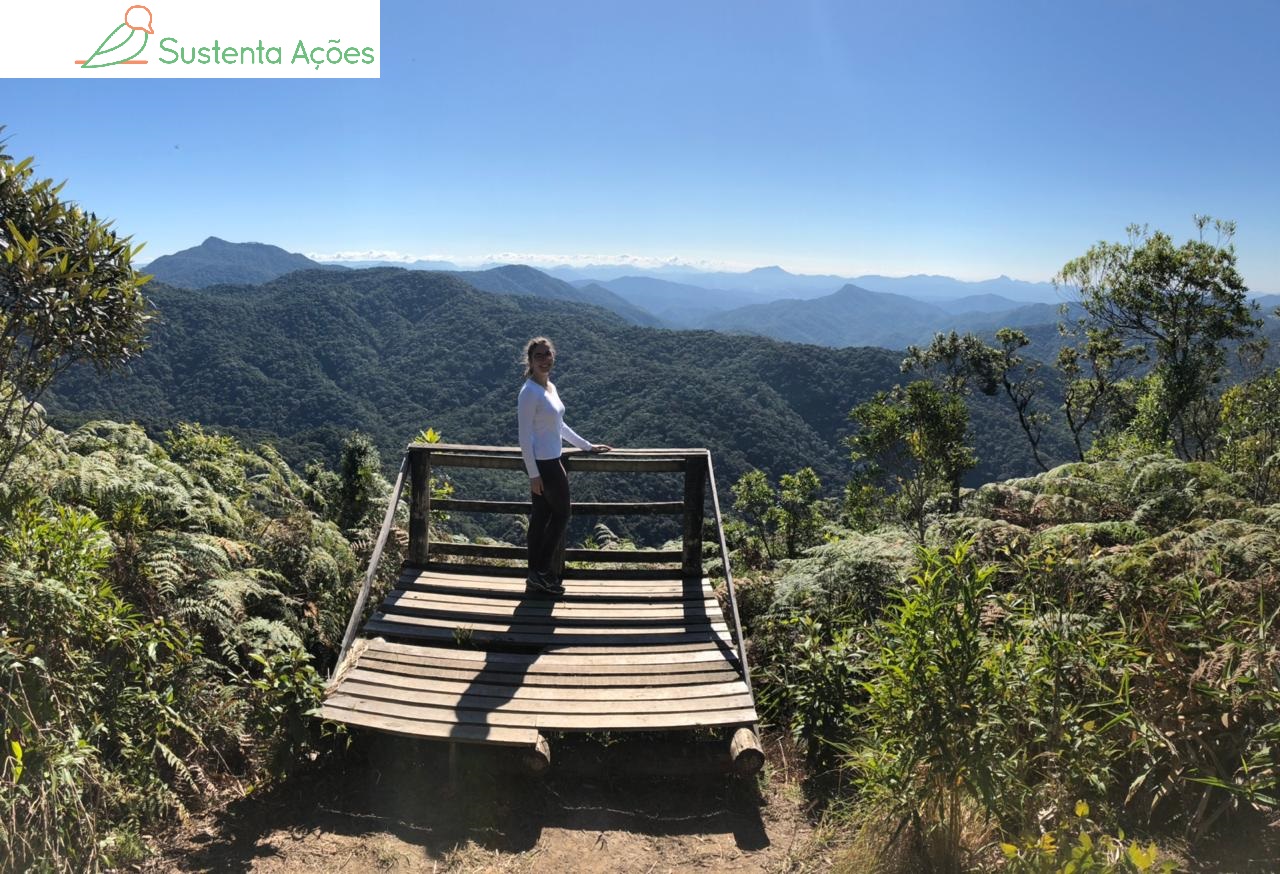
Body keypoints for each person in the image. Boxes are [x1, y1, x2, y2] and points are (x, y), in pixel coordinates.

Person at [517, 337, 611, 595]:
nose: (545, 359)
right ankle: (542, 572)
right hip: (544, 464)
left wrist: (587, 446)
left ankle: (535, 575)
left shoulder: (550, 388)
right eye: (539, 356)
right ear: (530, 361)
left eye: (548, 354)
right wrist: (533, 474)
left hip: (551, 459)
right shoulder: (528, 392)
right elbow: (524, 437)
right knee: (561, 515)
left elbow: (560, 427)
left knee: (542, 519)